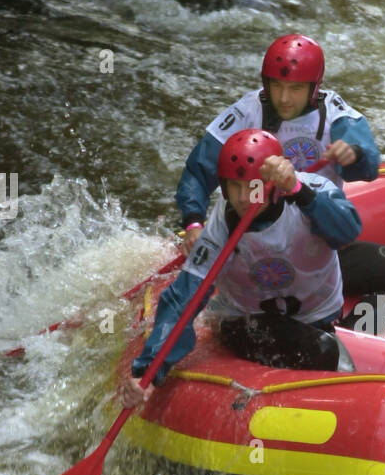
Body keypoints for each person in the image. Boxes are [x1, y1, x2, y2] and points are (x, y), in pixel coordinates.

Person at [176, 33, 385, 326]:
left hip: (317, 248)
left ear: (314, 88)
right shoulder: (246, 112)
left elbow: (368, 167)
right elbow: (198, 170)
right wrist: (194, 223)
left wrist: (354, 155)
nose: (285, 98)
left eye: (296, 88)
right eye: (277, 86)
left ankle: (348, 332)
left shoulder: (335, 114)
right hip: (251, 247)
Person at [123, 129, 361, 407]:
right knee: (324, 350)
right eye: (235, 186)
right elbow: (184, 298)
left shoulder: (312, 190)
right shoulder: (222, 224)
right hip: (245, 320)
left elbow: (347, 233)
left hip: (315, 317)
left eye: (253, 185)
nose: (244, 196)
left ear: (272, 182)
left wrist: (298, 191)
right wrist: (149, 371)